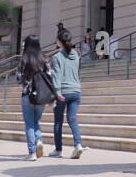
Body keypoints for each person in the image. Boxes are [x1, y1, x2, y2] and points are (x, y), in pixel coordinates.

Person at [48, 29, 85, 159]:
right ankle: (78, 144)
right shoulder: (76, 55)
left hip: (63, 92)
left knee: (58, 121)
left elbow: (56, 76)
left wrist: (57, 92)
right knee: (72, 119)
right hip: (76, 91)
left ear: (59, 41)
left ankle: (58, 150)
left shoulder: (57, 57)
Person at [16, 36, 50, 161]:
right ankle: (39, 141)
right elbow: (50, 75)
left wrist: (27, 79)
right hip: (41, 95)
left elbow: (18, 79)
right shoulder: (44, 58)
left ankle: (32, 152)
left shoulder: (23, 59)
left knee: (30, 124)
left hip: (27, 95)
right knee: (36, 122)